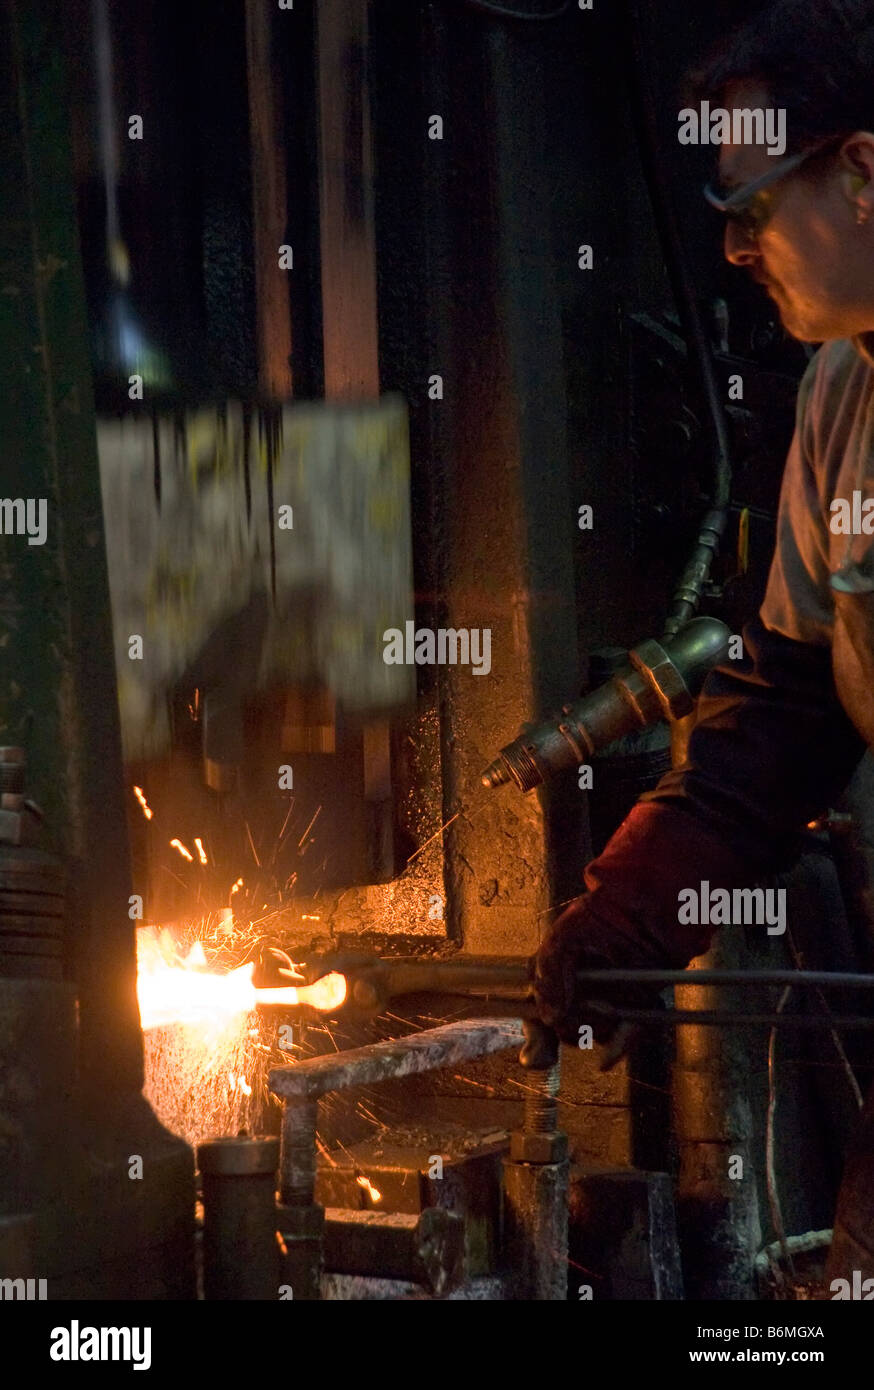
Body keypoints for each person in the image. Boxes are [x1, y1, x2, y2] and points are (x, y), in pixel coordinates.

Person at [532, 0, 874, 1281]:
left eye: (751, 206)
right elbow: (779, 715)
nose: (732, 248)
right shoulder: (844, 390)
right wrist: (628, 913)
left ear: (860, 170)